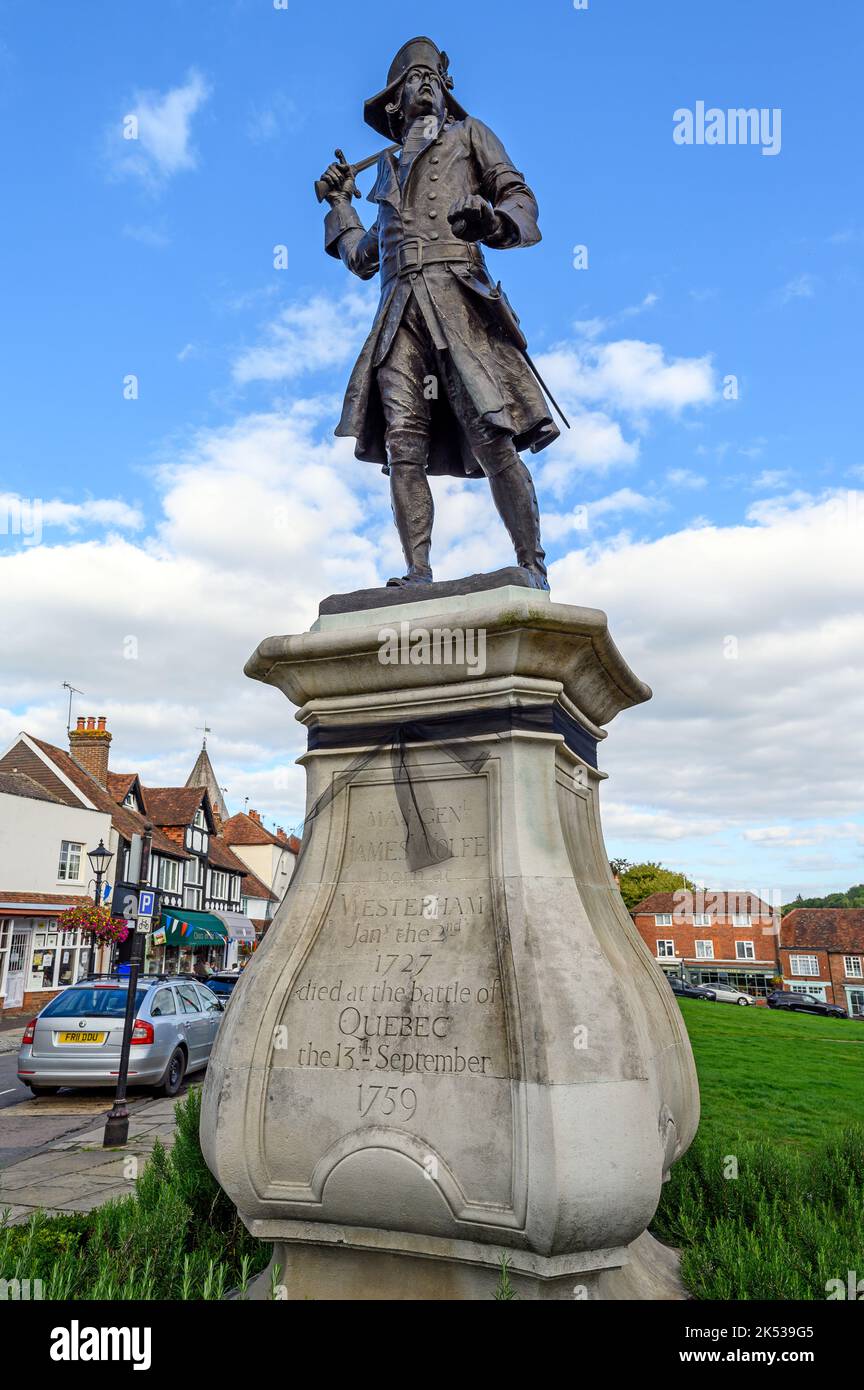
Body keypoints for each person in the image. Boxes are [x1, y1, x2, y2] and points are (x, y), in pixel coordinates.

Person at [318, 37, 556, 589]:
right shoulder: (384, 172)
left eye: (433, 77)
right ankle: (417, 572)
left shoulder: (471, 136)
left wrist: (492, 222)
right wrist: (339, 204)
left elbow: (521, 200)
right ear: (394, 104)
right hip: (399, 311)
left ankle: (532, 564)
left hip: (456, 300)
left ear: (446, 92)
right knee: (404, 442)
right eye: (411, 78)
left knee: (492, 434)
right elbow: (362, 257)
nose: (424, 83)